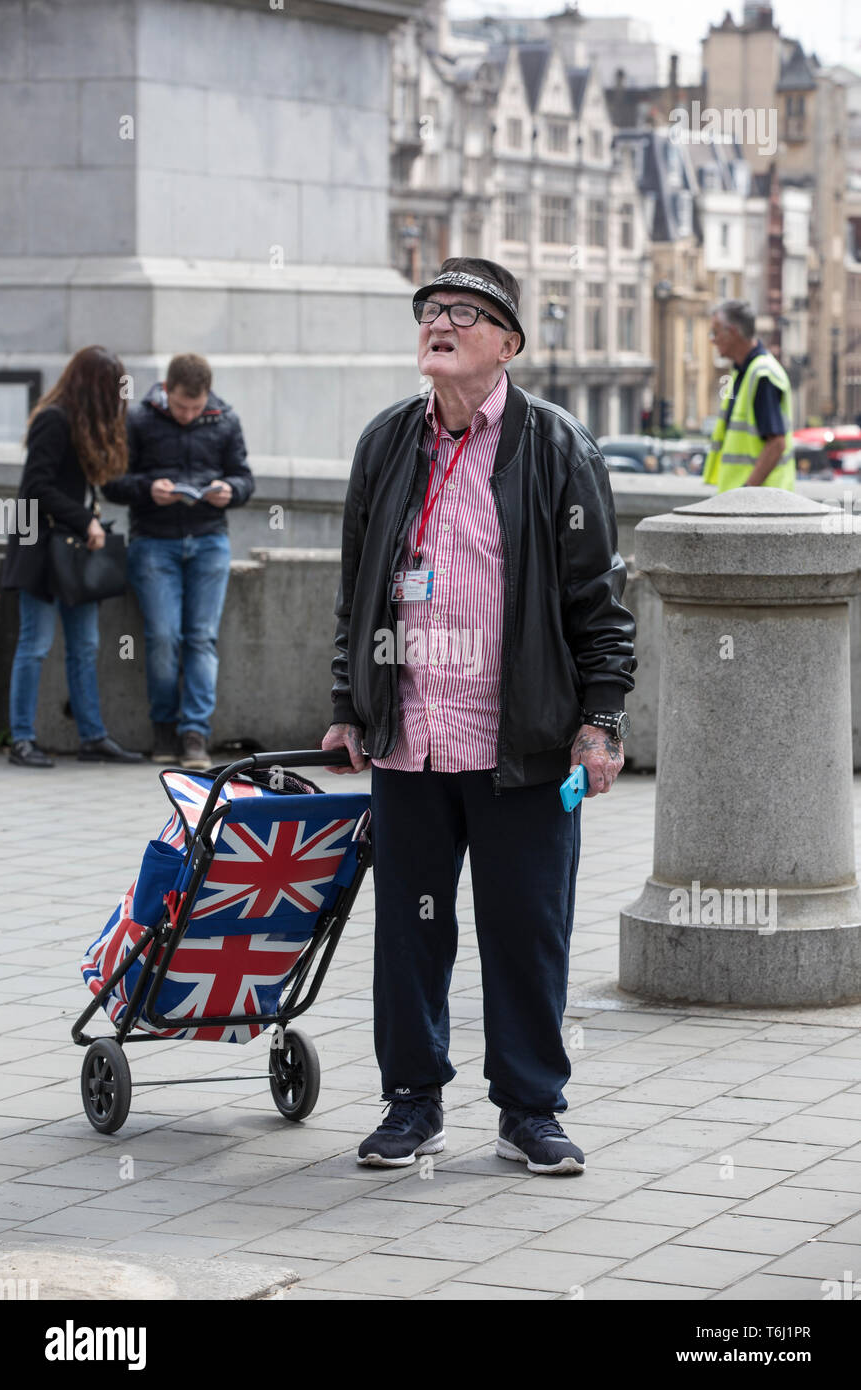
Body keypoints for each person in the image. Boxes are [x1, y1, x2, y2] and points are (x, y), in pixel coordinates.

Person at [322, 257, 636, 1176]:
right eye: (430, 310)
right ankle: (411, 1102)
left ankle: (530, 1109)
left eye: (465, 312)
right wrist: (350, 704)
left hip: (523, 744)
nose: (440, 323)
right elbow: (357, 595)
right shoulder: (387, 444)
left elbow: (599, 601)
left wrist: (602, 720)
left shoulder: (556, 445)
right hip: (411, 742)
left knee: (525, 930)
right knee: (410, 932)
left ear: (507, 344)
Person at [102, 354, 255, 771]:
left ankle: (195, 733)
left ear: (208, 396)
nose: (188, 416)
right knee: (163, 637)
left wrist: (230, 489)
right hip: (155, 541)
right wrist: (149, 488)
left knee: (201, 637)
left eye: (196, 407)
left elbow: (245, 478)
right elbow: (111, 482)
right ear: (165, 391)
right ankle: (164, 726)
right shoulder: (138, 421)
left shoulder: (225, 419)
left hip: (209, 539)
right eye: (181, 407)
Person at [1, 346, 144, 769]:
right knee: (35, 645)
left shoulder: (80, 422)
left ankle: (92, 736)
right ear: (94, 386)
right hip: (43, 553)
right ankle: (22, 739)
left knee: (85, 646)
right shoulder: (54, 419)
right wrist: (86, 520)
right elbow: (34, 488)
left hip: (73, 555)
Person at [704, 300, 795, 492]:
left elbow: (776, 444)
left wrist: (745, 492)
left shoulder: (762, 374)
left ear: (733, 332)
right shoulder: (742, 371)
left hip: (759, 506)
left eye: (716, 332)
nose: (712, 339)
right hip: (750, 505)